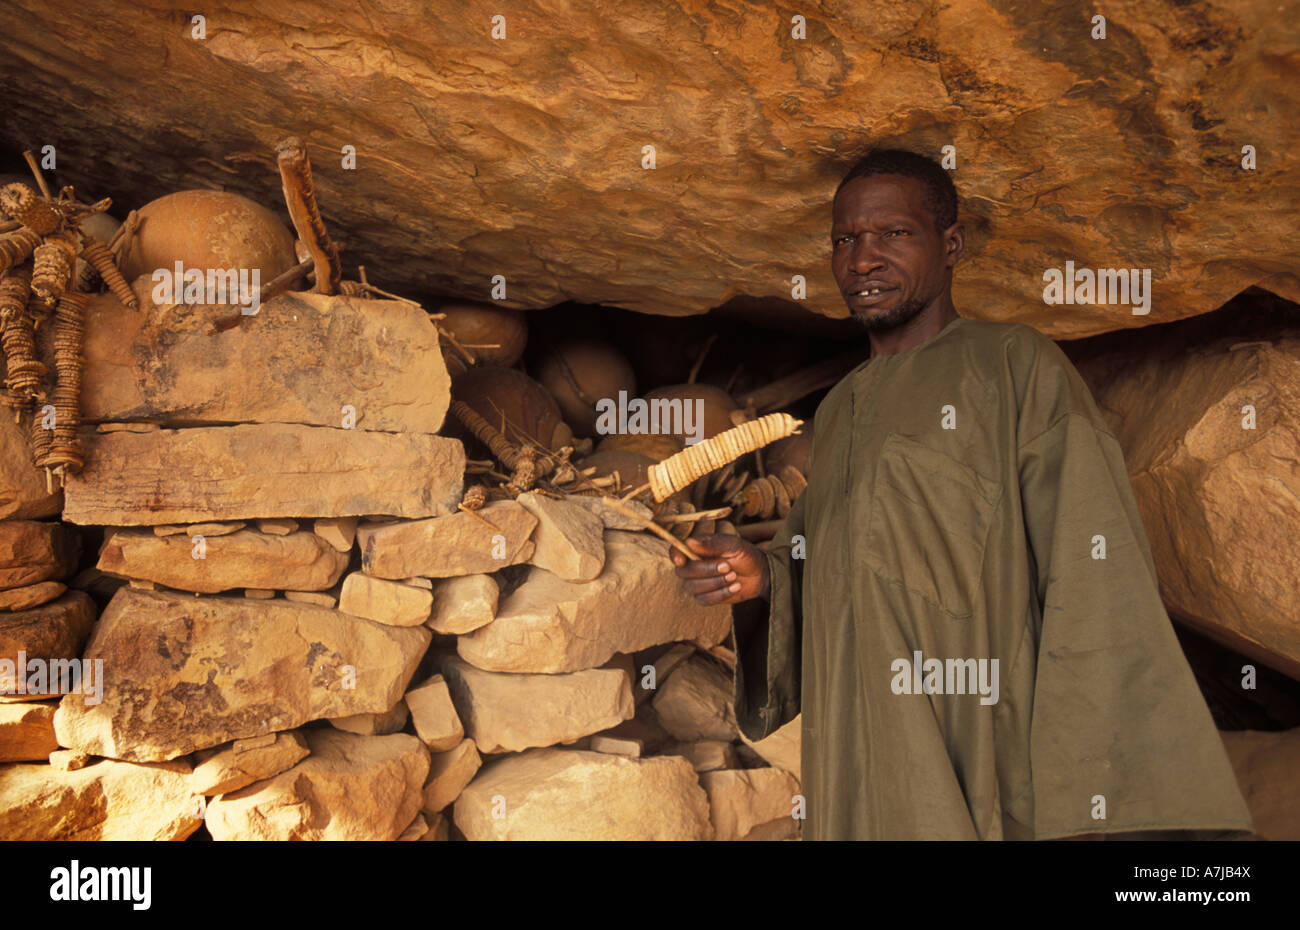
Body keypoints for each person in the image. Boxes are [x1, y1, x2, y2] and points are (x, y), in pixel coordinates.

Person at [671, 149, 1252, 840]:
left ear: (951, 246)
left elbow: (1098, 569)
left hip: (982, 753)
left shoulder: (1012, 366)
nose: (863, 259)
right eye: (846, 239)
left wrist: (1093, 791)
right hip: (858, 755)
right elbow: (832, 573)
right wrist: (765, 578)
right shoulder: (842, 408)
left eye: (894, 233)